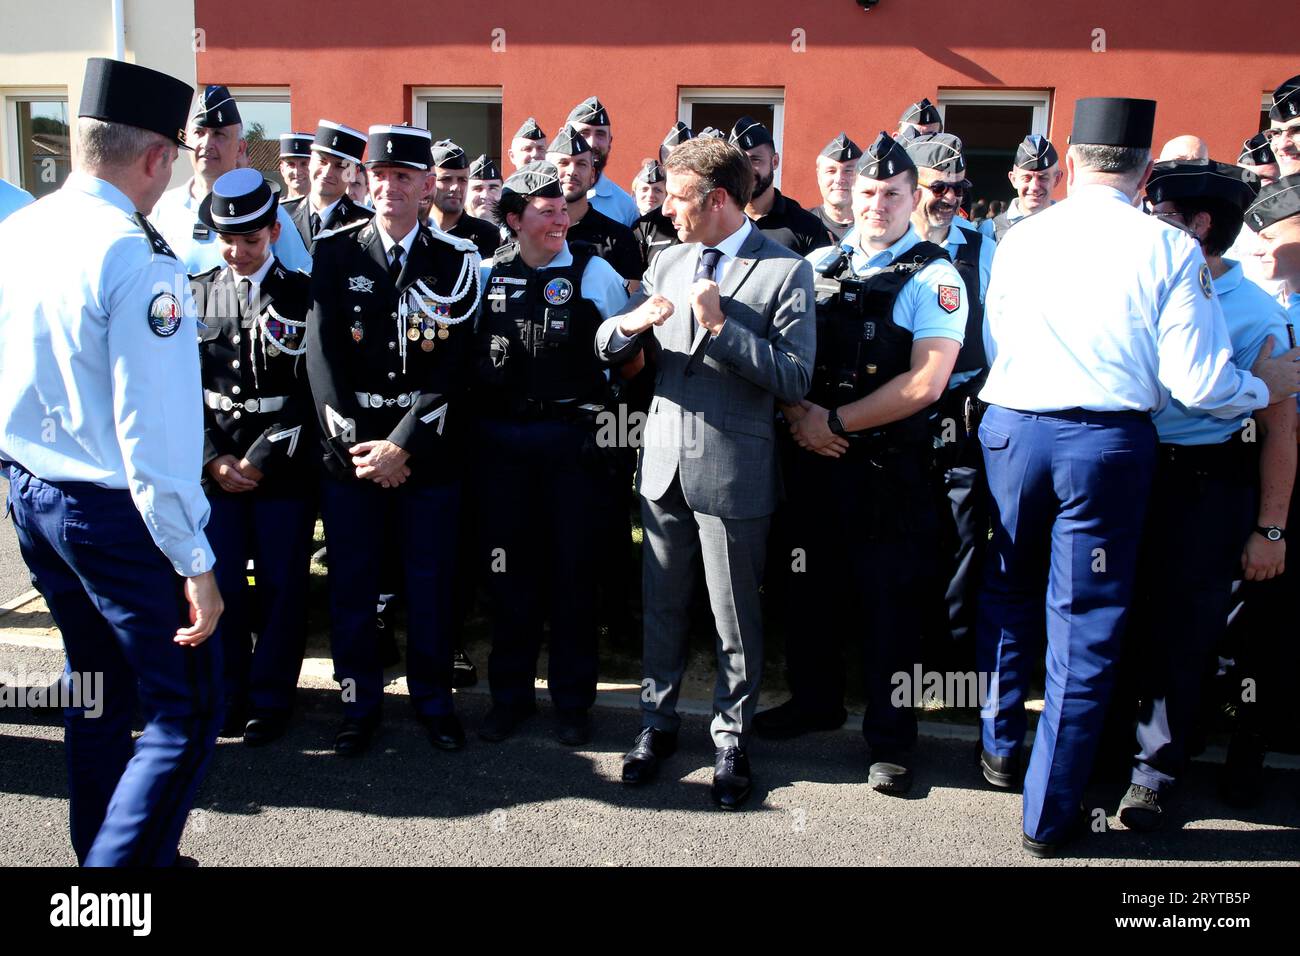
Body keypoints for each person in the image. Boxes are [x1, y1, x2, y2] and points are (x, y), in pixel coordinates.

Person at [975, 97, 1300, 858]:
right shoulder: (1168, 249)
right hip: (1104, 442)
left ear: (1068, 159)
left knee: (1006, 586)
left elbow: (997, 337)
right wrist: (1264, 385)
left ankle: (997, 744)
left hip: (1011, 426)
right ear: (1145, 170)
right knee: (1083, 625)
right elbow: (1199, 385)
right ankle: (1048, 815)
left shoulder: (1019, 235)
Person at [0, 57, 223, 866]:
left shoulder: (19, 228)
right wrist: (195, 559)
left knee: (94, 692)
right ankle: (110, 891)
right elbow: (154, 439)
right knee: (185, 710)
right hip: (113, 512)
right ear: (158, 158)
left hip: (35, 493)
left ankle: (112, 856)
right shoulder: (138, 257)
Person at [595, 136, 816, 810]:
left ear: (718, 198)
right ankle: (656, 724)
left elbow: (796, 377)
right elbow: (609, 344)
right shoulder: (666, 259)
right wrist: (629, 325)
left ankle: (730, 735)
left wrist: (723, 329)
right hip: (662, 464)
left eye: (678, 196)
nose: (664, 208)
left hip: (733, 469)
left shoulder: (786, 272)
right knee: (662, 609)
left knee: (732, 616)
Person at [756, 133, 967, 796]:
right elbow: (780, 356)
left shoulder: (938, 277)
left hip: (887, 472)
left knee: (890, 607)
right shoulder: (816, 262)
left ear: (914, 198)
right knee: (808, 589)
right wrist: (799, 417)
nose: (878, 204)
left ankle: (892, 741)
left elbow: (926, 384)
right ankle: (814, 700)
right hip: (815, 460)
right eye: (869, 191)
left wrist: (834, 422)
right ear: (851, 192)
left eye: (892, 193)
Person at [1115, 159, 1295, 831]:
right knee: (1117, 617)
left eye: (1159, 216)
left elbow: (1283, 429)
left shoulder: (1257, 313)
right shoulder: (1142, 284)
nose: (1144, 225)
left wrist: (1271, 527)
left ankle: (1154, 774)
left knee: (1184, 635)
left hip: (1205, 484)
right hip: (1131, 470)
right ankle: (1108, 749)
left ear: (1199, 225)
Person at [304, 123, 483, 757]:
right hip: (351, 450)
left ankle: (434, 702)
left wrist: (402, 446)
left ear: (428, 186)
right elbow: (320, 358)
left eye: (403, 177)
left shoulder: (458, 262)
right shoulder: (335, 251)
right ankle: (357, 705)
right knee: (353, 582)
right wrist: (360, 447)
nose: (388, 187)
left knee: (429, 582)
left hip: (424, 454)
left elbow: (457, 367)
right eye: (378, 176)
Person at [472, 161, 630, 744]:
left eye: (563, 208)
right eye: (545, 210)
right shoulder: (487, 274)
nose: (560, 217)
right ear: (514, 219)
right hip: (505, 448)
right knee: (509, 574)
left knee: (571, 575)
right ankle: (509, 698)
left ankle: (572, 702)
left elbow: (632, 361)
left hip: (573, 447)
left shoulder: (596, 274)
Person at [190, 168, 317, 747]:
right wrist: (214, 458)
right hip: (216, 474)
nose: (238, 251)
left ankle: (270, 699)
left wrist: (262, 456)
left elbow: (313, 392)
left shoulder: (303, 294)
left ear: (272, 231)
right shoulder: (194, 293)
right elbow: (180, 391)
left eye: (250, 239)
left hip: (282, 471)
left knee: (282, 587)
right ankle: (227, 694)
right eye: (227, 239)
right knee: (223, 586)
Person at [903, 133, 997, 671]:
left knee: (964, 529)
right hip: (895, 405)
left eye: (959, 187)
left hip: (962, 404)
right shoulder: (880, 244)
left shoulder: (984, 248)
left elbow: (1001, 334)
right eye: (938, 187)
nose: (950, 197)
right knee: (902, 524)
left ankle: (952, 651)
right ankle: (899, 640)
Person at [1222, 173, 1300, 807]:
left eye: (1269, 235)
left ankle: (1252, 744)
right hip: (1240, 475)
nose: (1256, 246)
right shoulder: (1248, 302)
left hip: (1283, 485)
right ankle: (1225, 739)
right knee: (1242, 619)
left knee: (1270, 628)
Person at [149, 85, 311, 275]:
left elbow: (302, 281)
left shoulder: (266, 210)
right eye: (199, 133)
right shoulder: (161, 209)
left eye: (219, 134)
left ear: (240, 148)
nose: (207, 144)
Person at [547, 124, 643, 286]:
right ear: (546, 171)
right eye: (563, 163)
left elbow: (632, 300)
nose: (572, 171)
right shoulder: (531, 232)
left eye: (581, 164)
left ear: (592, 175)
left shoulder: (619, 238)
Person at [729, 116, 826, 255]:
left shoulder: (807, 226)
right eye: (739, 162)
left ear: (774, 162)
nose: (746, 170)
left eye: (755, 160)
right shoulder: (721, 220)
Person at [281, 120, 372, 254]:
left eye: (339, 165)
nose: (327, 172)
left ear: (353, 173)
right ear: (311, 161)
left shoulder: (367, 221)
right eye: (322, 161)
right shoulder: (282, 214)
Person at [567, 96, 639, 227]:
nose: (592, 143)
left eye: (600, 134)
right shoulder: (540, 199)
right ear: (564, 136)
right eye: (584, 133)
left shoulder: (626, 207)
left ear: (609, 142)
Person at [427, 138, 502, 260]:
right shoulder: (414, 229)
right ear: (428, 182)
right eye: (446, 179)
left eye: (462, 180)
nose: (455, 187)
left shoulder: (486, 234)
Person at [992, 134, 1062, 241]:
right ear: (1014, 179)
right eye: (1027, 178)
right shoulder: (990, 230)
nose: (1034, 187)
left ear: (1057, 179)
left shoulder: (1071, 228)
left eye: (1043, 178)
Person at [812, 133, 861, 245]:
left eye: (848, 171)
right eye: (831, 171)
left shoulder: (876, 226)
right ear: (819, 176)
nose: (839, 179)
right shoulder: (801, 224)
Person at [467, 154, 503, 222]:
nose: (485, 195)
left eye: (493, 189)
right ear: (464, 193)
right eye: (477, 189)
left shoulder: (518, 231)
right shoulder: (448, 232)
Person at [278, 131, 313, 200]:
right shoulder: (275, 209)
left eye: (304, 164)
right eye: (291, 164)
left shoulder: (327, 209)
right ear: (282, 170)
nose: (297, 172)